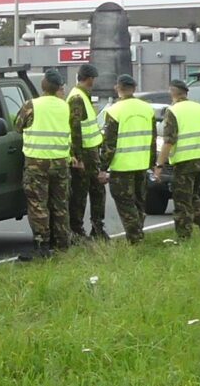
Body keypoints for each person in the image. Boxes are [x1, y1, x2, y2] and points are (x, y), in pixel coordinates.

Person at [12, 70, 75, 260]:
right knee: (60, 205)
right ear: (59, 88)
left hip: (37, 164)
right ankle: (63, 244)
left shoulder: (32, 105)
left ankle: (42, 246)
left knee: (38, 205)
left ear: (43, 86)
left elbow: (18, 126)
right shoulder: (65, 107)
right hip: (61, 163)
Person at [101, 75, 159, 245]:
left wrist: (103, 167)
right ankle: (138, 232)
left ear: (117, 88)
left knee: (125, 202)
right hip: (141, 164)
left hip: (122, 165)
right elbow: (153, 139)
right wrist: (153, 163)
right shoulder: (147, 109)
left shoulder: (114, 110)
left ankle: (135, 238)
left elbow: (109, 143)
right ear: (134, 88)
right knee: (139, 202)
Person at [159, 76, 200, 238]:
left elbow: (168, 141)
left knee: (181, 199)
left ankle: (184, 235)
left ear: (172, 92)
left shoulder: (173, 111)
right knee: (192, 195)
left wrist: (159, 165)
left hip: (184, 161)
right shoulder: (199, 108)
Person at [70, 62, 111, 242]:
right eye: (93, 79)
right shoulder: (77, 98)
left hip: (91, 150)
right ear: (89, 79)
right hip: (84, 153)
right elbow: (75, 128)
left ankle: (97, 228)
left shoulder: (83, 96)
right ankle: (77, 230)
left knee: (97, 190)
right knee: (81, 192)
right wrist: (77, 156)